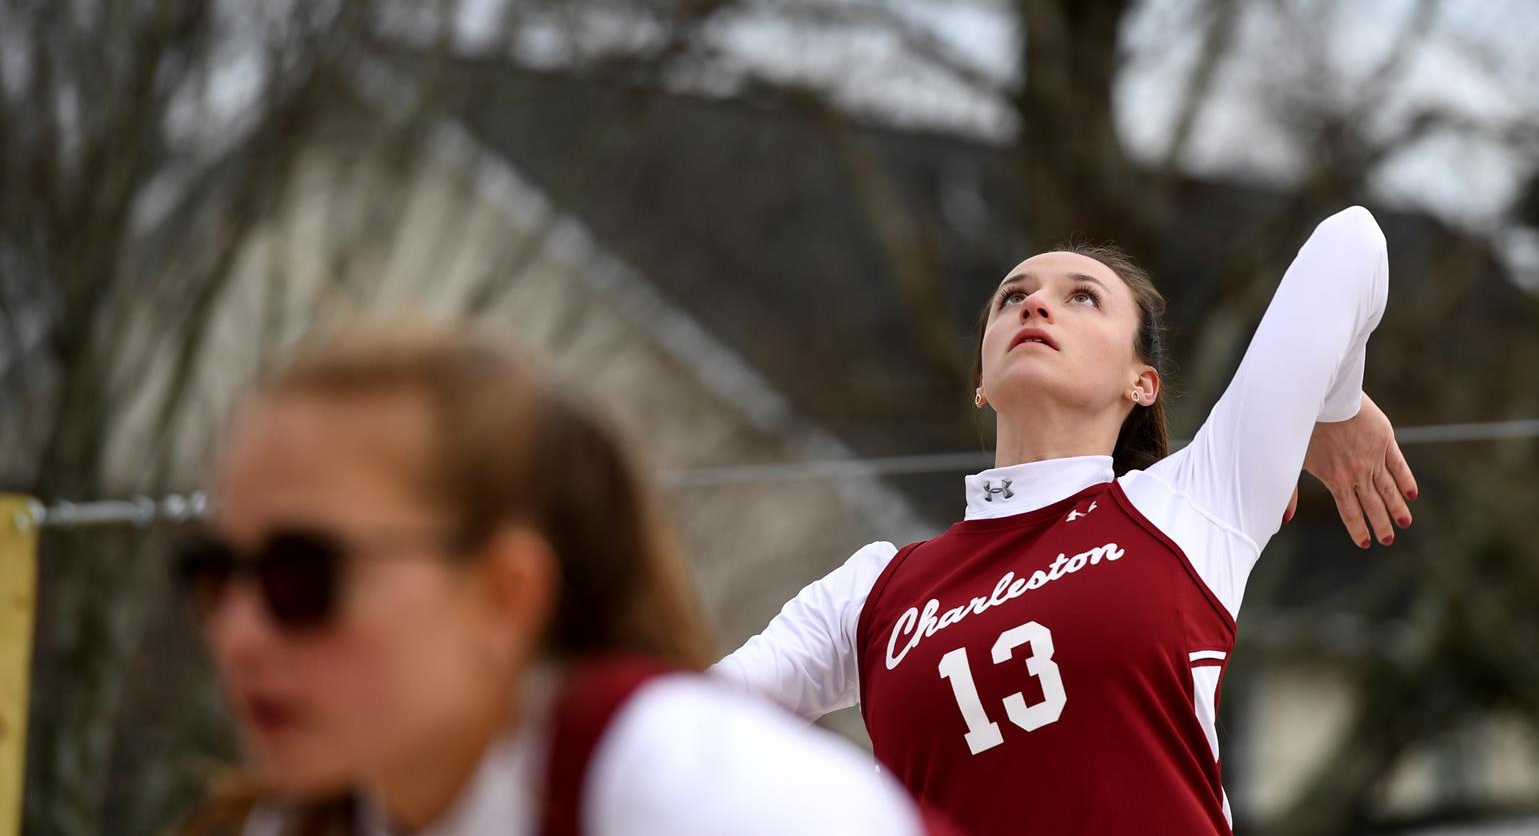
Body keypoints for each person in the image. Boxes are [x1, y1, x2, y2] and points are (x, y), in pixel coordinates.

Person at [716, 207, 1416, 833]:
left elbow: (1352, 241)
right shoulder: (874, 589)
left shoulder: (1189, 503)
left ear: (1140, 382)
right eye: (1011, 298)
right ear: (981, 383)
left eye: (1081, 297)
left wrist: (1335, 400)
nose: (1035, 306)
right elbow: (695, 715)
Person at [174, 325, 931, 836]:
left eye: (302, 575)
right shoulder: (298, 815)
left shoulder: (700, 787)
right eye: (211, 574)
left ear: (505, 595)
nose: (237, 633)